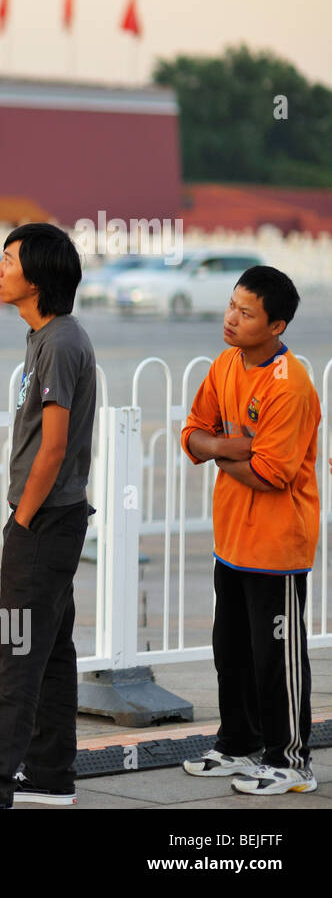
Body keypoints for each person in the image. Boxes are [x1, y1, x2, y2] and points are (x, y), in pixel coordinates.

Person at [0, 223, 96, 809]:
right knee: (53, 648)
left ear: (36, 277)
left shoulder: (58, 342)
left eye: (7, 260)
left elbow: (53, 448)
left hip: (46, 521)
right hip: (57, 519)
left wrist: (22, 520)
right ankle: (51, 774)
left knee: (19, 653)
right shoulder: (50, 335)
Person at [178, 266, 319, 795]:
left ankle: (292, 761)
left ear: (276, 325)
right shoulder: (224, 363)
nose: (231, 319)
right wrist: (220, 448)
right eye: (232, 305)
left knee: (276, 657)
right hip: (231, 541)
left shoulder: (291, 386)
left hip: (276, 546)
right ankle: (239, 744)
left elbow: (271, 473)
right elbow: (191, 434)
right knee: (230, 649)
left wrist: (217, 455)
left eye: (246, 312)